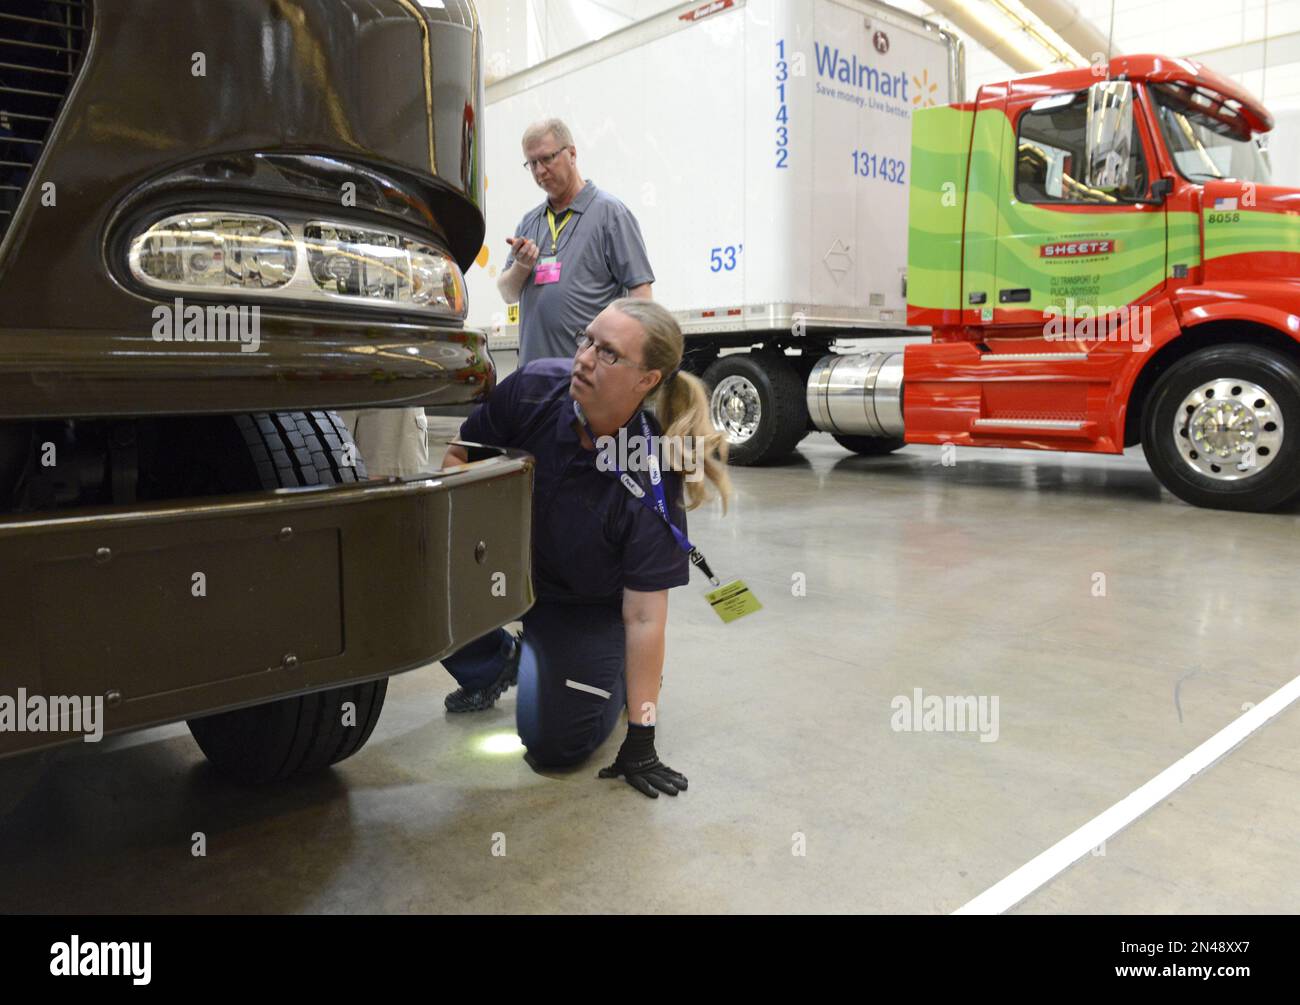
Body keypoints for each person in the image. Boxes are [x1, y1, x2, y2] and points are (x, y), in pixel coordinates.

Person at [439, 298, 731, 797]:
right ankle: (495, 663)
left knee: (554, 746)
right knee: (409, 566)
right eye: (587, 340)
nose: (586, 359)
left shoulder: (651, 475)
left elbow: (644, 616)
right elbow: (458, 459)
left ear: (648, 380)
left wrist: (642, 738)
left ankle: (614, 670)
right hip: (509, 572)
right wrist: (469, 553)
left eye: (609, 354)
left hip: (581, 607)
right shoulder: (533, 388)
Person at [498, 119, 654, 368]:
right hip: (533, 377)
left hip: (589, 378)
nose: (539, 171)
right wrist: (521, 266)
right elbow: (507, 294)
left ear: (572, 153)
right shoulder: (529, 222)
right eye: (532, 163)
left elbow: (641, 295)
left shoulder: (610, 214)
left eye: (547, 158)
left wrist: (628, 362)